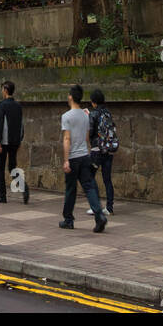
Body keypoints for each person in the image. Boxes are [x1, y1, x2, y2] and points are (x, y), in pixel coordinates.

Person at [59, 85, 106, 233]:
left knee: (71, 189)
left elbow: (67, 139)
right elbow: (86, 138)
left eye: (68, 95)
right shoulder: (86, 115)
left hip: (73, 157)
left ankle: (68, 220)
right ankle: (99, 216)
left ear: (71, 97)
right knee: (89, 186)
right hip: (84, 156)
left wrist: (66, 160)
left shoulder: (66, 117)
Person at [0, 80, 29, 204]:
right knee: (12, 167)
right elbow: (21, 125)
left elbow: (0, 124)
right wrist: (19, 140)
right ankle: (23, 187)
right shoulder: (18, 106)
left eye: (2, 89)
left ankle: (2, 196)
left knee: (1, 168)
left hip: (4, 142)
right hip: (15, 142)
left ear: (5, 90)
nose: (2, 91)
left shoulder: (3, 105)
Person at [87, 88, 118, 218]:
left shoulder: (93, 114)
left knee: (89, 178)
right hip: (108, 150)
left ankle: (95, 207)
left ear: (93, 102)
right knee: (107, 179)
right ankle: (109, 207)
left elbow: (90, 131)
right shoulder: (108, 113)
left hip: (97, 151)